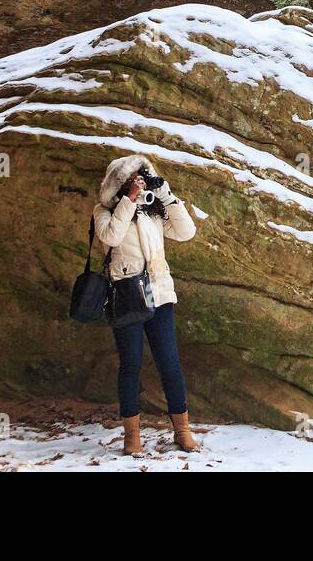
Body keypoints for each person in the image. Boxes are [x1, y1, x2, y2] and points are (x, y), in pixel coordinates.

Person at [94, 154, 199, 456]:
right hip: (126, 295)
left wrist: (164, 194)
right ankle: (132, 437)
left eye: (142, 179)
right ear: (120, 185)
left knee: (170, 363)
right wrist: (129, 200)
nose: (138, 185)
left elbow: (186, 232)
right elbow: (111, 236)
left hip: (160, 294)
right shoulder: (104, 211)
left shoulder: (154, 211)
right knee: (131, 366)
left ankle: (182, 430)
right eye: (132, 181)